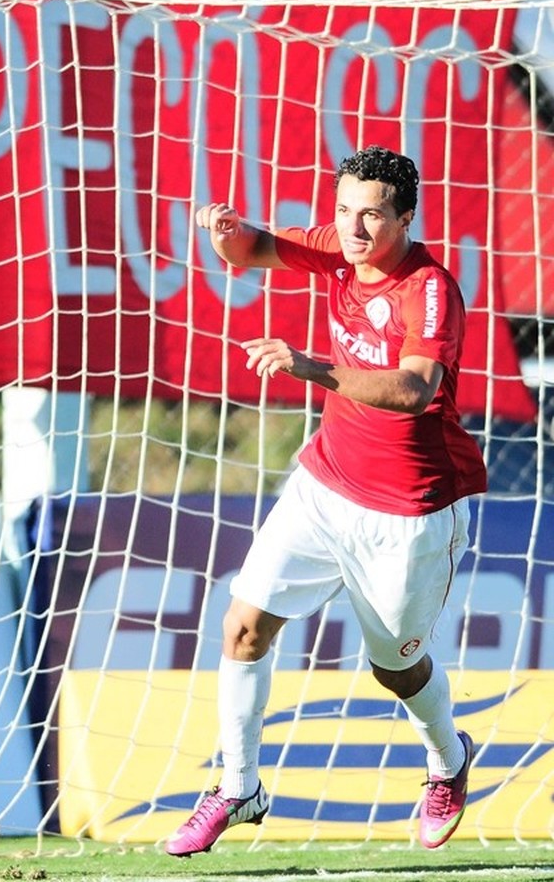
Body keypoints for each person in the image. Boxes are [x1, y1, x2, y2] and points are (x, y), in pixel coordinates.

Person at [165, 146, 487, 857]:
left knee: (395, 668)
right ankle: (238, 786)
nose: (353, 226)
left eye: (372, 212)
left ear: (405, 215)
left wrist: (310, 367)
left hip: (411, 510)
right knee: (244, 626)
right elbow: (254, 248)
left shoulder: (429, 289)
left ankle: (448, 760)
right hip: (325, 482)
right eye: (344, 209)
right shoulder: (338, 249)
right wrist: (224, 232)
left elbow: (413, 391)